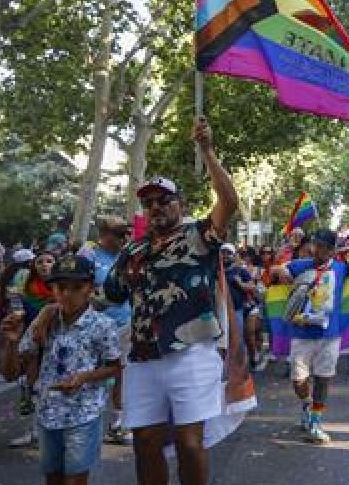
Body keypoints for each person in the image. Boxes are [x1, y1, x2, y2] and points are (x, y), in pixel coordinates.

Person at [103, 116, 239, 485]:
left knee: (189, 443)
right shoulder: (134, 249)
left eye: (164, 200)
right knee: (144, 440)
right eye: (149, 203)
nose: (156, 207)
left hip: (190, 350)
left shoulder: (198, 235)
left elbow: (229, 201)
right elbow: (110, 294)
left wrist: (207, 151)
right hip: (143, 355)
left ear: (179, 203)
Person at [19, 255, 121, 485]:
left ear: (90, 288)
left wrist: (85, 377)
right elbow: (24, 356)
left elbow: (114, 366)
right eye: (61, 287)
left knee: (75, 479)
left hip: (83, 413)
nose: (67, 294)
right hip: (48, 412)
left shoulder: (103, 325)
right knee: (53, 477)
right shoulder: (45, 321)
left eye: (76, 287)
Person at [271, 229, 349, 444]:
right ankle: (307, 404)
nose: (316, 249)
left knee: (323, 378)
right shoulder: (302, 264)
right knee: (298, 380)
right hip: (302, 332)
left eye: (322, 246)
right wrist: (281, 269)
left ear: (332, 250)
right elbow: (276, 270)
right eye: (314, 245)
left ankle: (315, 422)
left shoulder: (341, 268)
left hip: (330, 334)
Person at [87, 215, 132, 444]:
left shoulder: (129, 256)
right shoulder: (89, 256)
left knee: (121, 373)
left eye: (127, 234)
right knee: (91, 373)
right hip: (94, 325)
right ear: (103, 235)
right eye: (119, 235)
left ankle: (117, 424)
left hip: (124, 324)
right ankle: (86, 422)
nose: (125, 239)